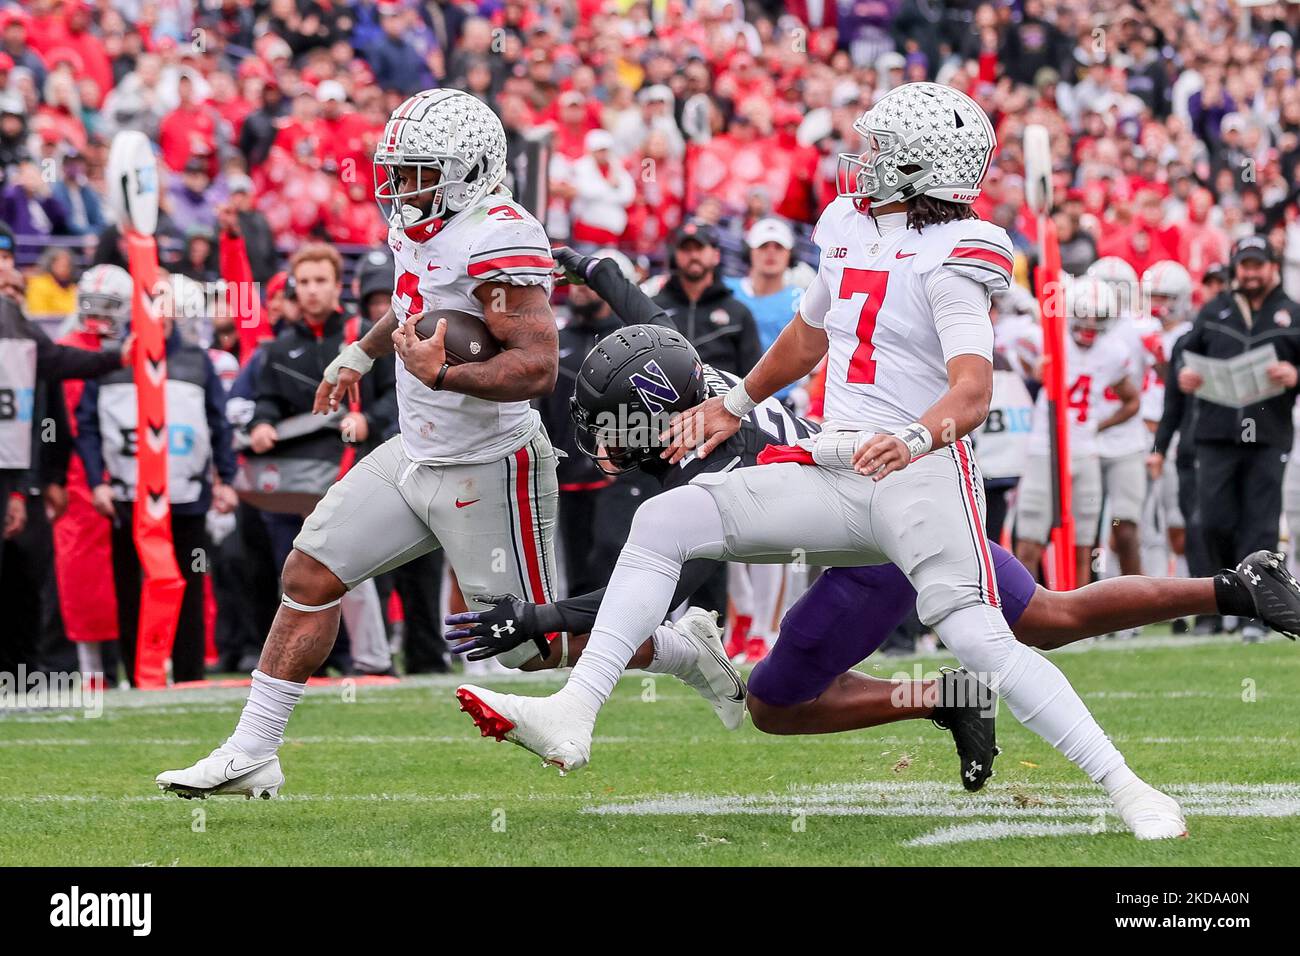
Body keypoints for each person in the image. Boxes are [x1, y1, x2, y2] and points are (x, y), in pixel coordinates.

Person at [456, 82, 1187, 840]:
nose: (860, 159)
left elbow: (971, 390)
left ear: (917, 167)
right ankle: (573, 714)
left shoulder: (961, 253)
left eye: (878, 149)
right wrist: (734, 402)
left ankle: (1127, 785)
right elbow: (809, 336)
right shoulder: (847, 223)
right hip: (837, 467)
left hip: (921, 475)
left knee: (980, 636)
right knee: (669, 517)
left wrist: (911, 436)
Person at [445, 257, 1300, 789]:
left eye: (611, 421)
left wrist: (547, 617)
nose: (602, 441)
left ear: (653, 410)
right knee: (1050, 615)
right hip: (900, 504)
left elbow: (656, 581)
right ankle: (1237, 585)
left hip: (870, 547)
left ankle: (940, 695)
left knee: (774, 703)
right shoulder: (699, 387)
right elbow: (649, 321)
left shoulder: (708, 468)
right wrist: (591, 265)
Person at [156, 89, 562, 799]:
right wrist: (358, 356)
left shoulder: (499, 235)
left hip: (493, 463)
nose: (399, 187)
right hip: (416, 450)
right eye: (396, 170)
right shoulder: (423, 225)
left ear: (467, 171)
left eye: (417, 172)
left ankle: (682, 647)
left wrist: (450, 372)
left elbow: (537, 368)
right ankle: (253, 751)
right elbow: (411, 308)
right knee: (309, 575)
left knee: (532, 647)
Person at [74, 274, 238, 685]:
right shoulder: (115, 360)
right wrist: (98, 482)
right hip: (127, 496)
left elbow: (218, 425)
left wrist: (225, 479)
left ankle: (189, 674)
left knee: (190, 585)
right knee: (128, 588)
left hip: (186, 495)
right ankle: (135, 673)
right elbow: (88, 427)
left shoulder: (197, 362)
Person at [1158, 235, 1300, 642]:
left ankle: (1259, 614)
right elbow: (1186, 354)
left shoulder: (1292, 312)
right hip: (1216, 433)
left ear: (1273, 266)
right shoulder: (1215, 310)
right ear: (1236, 268)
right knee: (1213, 521)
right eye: (1245, 265)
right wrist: (1185, 373)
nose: (1251, 273)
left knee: (1261, 523)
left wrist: (1295, 375)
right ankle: (1226, 603)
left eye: (1258, 265)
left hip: (1268, 435)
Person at [1014, 276, 1139, 585]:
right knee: (1030, 536)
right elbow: (1017, 361)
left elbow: (1132, 400)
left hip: (1085, 450)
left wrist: (1097, 426)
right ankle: (1024, 615)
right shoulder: (1048, 340)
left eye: (1098, 317)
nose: (1090, 323)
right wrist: (1035, 373)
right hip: (1045, 446)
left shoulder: (1113, 351)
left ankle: (1080, 619)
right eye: (1085, 315)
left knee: (1082, 543)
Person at [652, 219, 762, 378]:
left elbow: (751, 376)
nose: (694, 255)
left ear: (716, 255)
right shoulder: (655, 307)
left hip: (722, 399)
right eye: (686, 249)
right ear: (675, 255)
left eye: (700, 248)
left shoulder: (738, 313)